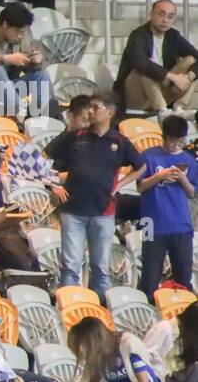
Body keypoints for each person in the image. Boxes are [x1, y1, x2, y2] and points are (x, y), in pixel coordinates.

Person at [46, 93, 144, 299]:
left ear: (109, 112)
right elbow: (43, 157)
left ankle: (100, 315)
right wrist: (52, 184)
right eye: (89, 107)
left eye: (95, 107)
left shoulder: (119, 140)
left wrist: (119, 185)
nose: (89, 111)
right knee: (70, 267)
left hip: (104, 212)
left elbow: (141, 167)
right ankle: (69, 311)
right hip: (73, 211)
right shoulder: (75, 136)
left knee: (101, 269)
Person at [138, 114, 198, 296]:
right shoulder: (148, 156)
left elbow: (192, 193)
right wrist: (158, 177)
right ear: (164, 137)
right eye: (172, 141)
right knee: (149, 275)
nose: (176, 146)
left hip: (180, 223)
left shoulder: (189, 160)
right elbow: (140, 186)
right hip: (150, 222)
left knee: (183, 277)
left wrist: (183, 180)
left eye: (180, 142)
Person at [0, 1, 53, 117]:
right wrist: (4, 59)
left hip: (9, 90)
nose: (21, 36)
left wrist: (36, 62)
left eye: (23, 32)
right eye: (18, 32)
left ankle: (39, 117)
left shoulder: (22, 37)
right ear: (5, 25)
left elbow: (31, 63)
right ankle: (21, 112)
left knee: (42, 74)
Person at [113, 0, 198, 115]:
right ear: (151, 14)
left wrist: (188, 77)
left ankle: (179, 108)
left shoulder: (173, 36)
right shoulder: (138, 35)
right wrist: (173, 77)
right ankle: (162, 111)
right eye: (161, 14)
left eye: (170, 16)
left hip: (162, 90)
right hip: (135, 94)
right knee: (143, 71)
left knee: (190, 61)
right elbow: (140, 63)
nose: (165, 20)